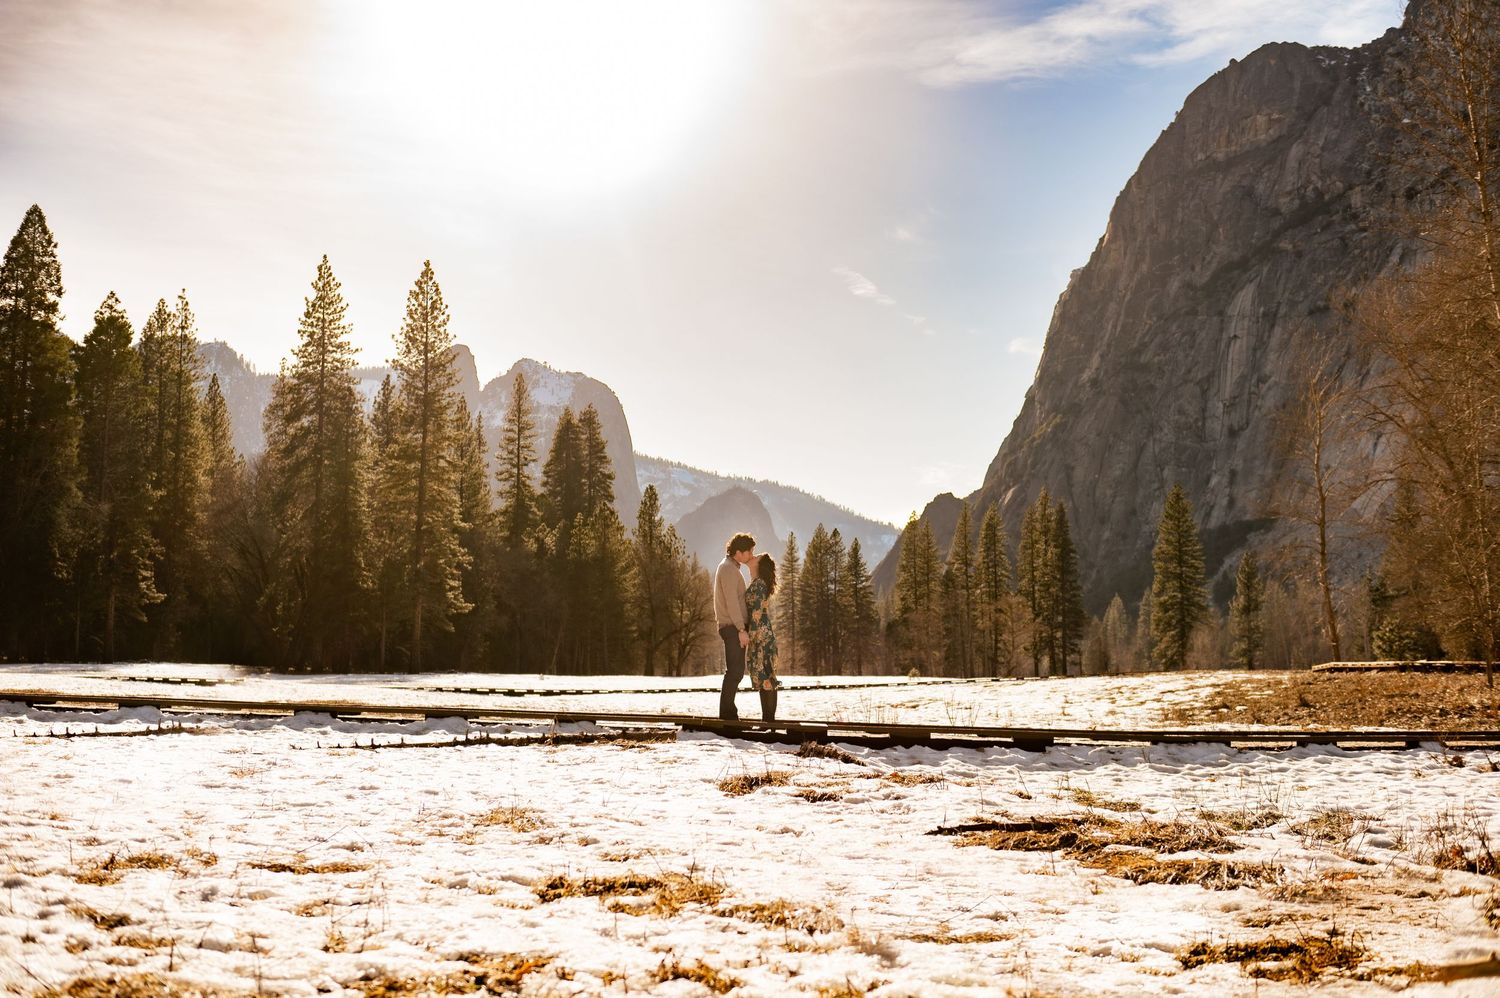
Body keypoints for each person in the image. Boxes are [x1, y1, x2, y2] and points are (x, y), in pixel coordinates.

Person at [714, 533, 756, 719]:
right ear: (739, 552)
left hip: (733, 626)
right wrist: (741, 629)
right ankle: (727, 715)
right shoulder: (728, 569)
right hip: (732, 627)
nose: (751, 555)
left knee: (736, 672)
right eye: (749, 552)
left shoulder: (730, 567)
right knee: (735, 672)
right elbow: (731, 602)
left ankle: (729, 714)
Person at [745, 552, 780, 722]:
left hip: (760, 634)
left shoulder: (759, 584)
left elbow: (756, 613)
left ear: (760, 565)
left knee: (766, 676)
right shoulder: (758, 582)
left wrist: (751, 635)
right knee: (764, 676)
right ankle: (767, 721)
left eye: (756, 557)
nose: (754, 557)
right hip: (761, 632)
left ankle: (769, 721)